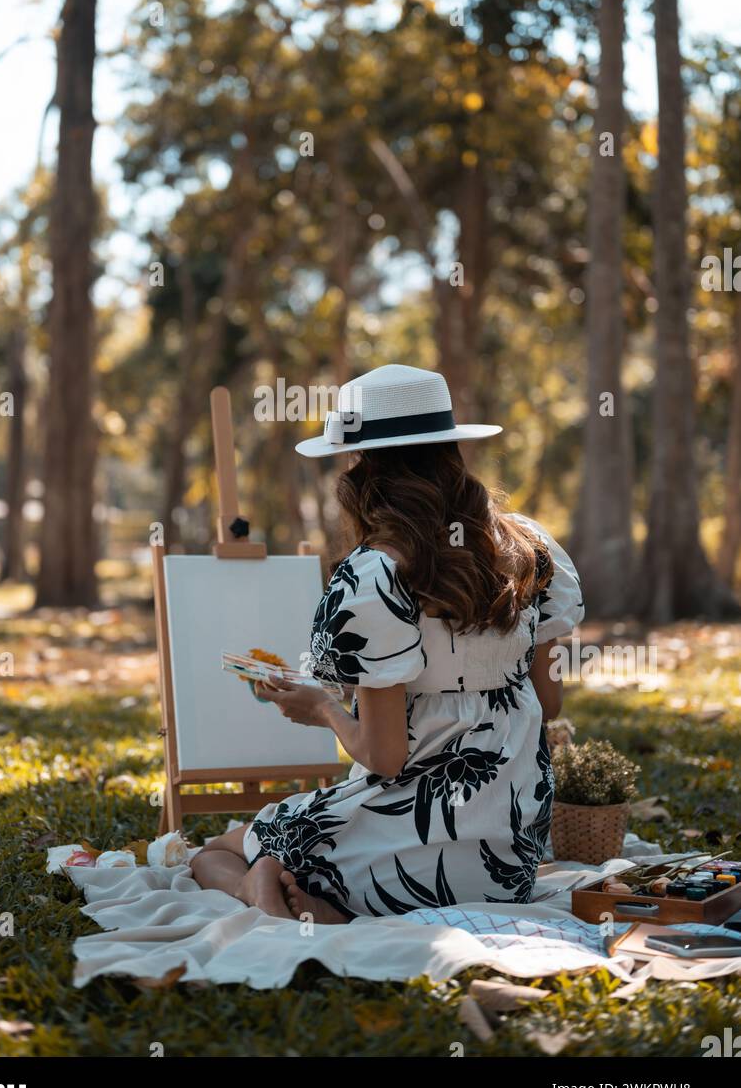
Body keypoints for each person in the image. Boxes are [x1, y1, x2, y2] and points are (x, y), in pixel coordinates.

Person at [190, 364, 584, 923]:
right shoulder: (532, 548)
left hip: (400, 844)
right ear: (450, 451)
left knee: (213, 854)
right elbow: (548, 705)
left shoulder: (372, 576)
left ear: (364, 470)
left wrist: (323, 708)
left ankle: (270, 891)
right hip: (506, 856)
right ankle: (312, 895)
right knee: (277, 843)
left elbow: (385, 756)